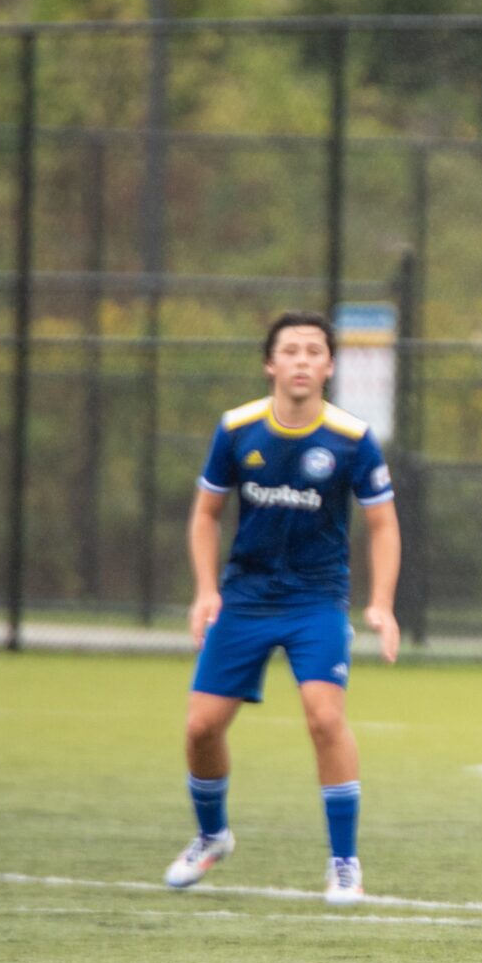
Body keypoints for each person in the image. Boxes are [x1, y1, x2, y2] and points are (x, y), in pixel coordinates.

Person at [164, 312, 401, 905]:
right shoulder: (238, 429)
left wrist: (381, 603)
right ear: (270, 364)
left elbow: (382, 524)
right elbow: (206, 515)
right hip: (245, 597)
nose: (301, 360)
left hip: (315, 600)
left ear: (329, 366)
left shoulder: (351, 438)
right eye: (290, 350)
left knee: (324, 718)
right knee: (201, 728)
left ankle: (344, 863)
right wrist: (205, 590)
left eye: (314, 351)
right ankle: (212, 836)